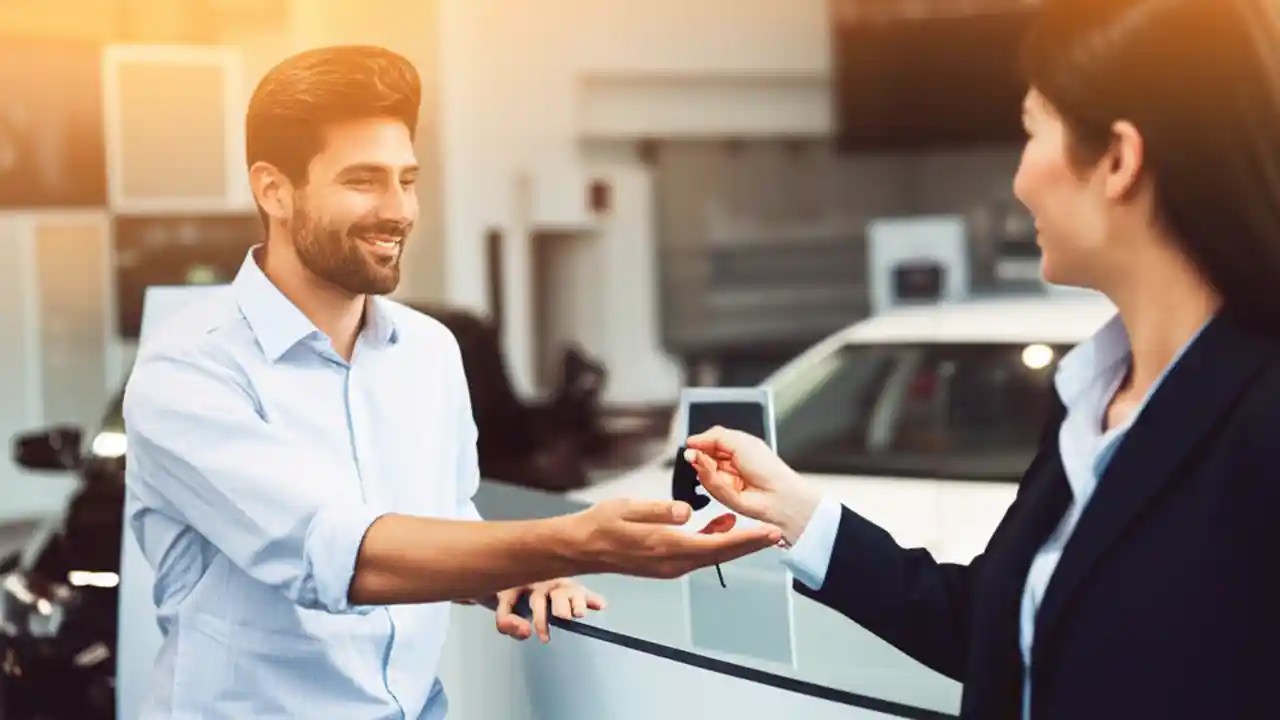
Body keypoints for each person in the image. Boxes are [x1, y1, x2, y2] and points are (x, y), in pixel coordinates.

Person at [122, 45, 779, 719]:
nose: (399, 210)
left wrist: (514, 568)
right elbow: (342, 555)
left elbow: (447, 522)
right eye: (363, 181)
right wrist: (573, 540)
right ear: (274, 190)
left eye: (407, 179)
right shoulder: (189, 370)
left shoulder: (428, 351)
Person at [682, 1, 1280, 718]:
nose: (1020, 178)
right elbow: (994, 633)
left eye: (1031, 132)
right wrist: (797, 514)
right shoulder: (1093, 400)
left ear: (1118, 160)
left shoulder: (1261, 417)